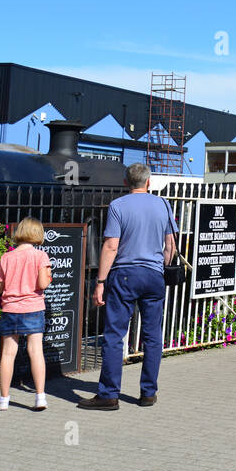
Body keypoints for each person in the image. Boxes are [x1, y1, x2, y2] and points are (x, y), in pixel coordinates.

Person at [78, 163, 177, 410]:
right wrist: (160, 267)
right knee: (152, 336)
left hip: (125, 275)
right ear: (148, 183)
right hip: (154, 276)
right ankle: (148, 393)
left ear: (125, 183)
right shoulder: (163, 205)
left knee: (114, 335)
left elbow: (111, 246)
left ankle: (109, 394)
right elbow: (171, 246)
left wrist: (100, 282)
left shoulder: (118, 206)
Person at [0, 218, 52, 411]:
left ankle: (3, 400)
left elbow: (0, 287)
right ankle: (40, 398)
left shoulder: (6, 257)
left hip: (10, 309)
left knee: (8, 354)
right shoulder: (40, 256)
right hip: (33, 307)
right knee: (35, 351)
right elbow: (43, 284)